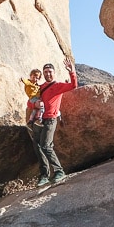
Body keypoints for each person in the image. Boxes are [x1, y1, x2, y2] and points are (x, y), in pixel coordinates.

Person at [29, 57, 77, 186]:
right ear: (43, 74)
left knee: (46, 145)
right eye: (46, 72)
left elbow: (73, 85)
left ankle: (59, 171)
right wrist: (35, 105)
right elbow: (30, 102)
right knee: (37, 145)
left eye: (50, 71)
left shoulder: (58, 86)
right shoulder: (41, 87)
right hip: (39, 119)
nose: (48, 74)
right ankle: (44, 175)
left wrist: (72, 72)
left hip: (51, 119)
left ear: (54, 73)